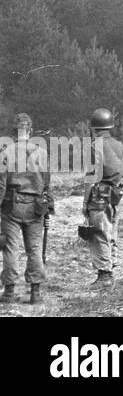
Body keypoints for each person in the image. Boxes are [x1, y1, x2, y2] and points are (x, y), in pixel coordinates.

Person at [80, 108, 123, 290]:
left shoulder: (94, 147)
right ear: (109, 126)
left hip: (98, 196)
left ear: (93, 128)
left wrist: (85, 202)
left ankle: (105, 276)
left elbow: (90, 177)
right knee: (111, 233)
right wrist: (116, 176)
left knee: (98, 233)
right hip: (114, 195)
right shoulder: (119, 145)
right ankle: (110, 269)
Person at [0, 113, 51, 305]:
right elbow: (47, 184)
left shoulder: (5, 152)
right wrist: (49, 207)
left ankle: (9, 292)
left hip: (11, 206)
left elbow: (1, 184)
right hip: (36, 206)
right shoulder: (42, 153)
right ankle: (35, 292)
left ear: (14, 131)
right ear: (30, 131)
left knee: (10, 248)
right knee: (35, 249)